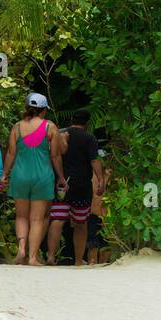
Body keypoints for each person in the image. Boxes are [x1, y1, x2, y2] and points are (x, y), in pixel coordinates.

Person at [0, 93, 66, 266]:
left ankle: (21, 249)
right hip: (42, 176)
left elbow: (11, 153)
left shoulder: (17, 127)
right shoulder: (50, 127)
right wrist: (61, 177)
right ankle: (32, 257)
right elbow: (56, 156)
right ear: (43, 110)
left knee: (21, 216)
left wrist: (4, 175)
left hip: (20, 175)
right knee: (36, 219)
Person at [48, 109, 102, 267]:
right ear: (87, 123)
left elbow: (52, 155)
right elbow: (94, 160)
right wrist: (100, 179)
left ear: (72, 119)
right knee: (81, 223)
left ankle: (51, 256)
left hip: (62, 183)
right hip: (82, 185)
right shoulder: (89, 138)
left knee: (57, 218)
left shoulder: (60, 133)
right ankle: (78, 260)